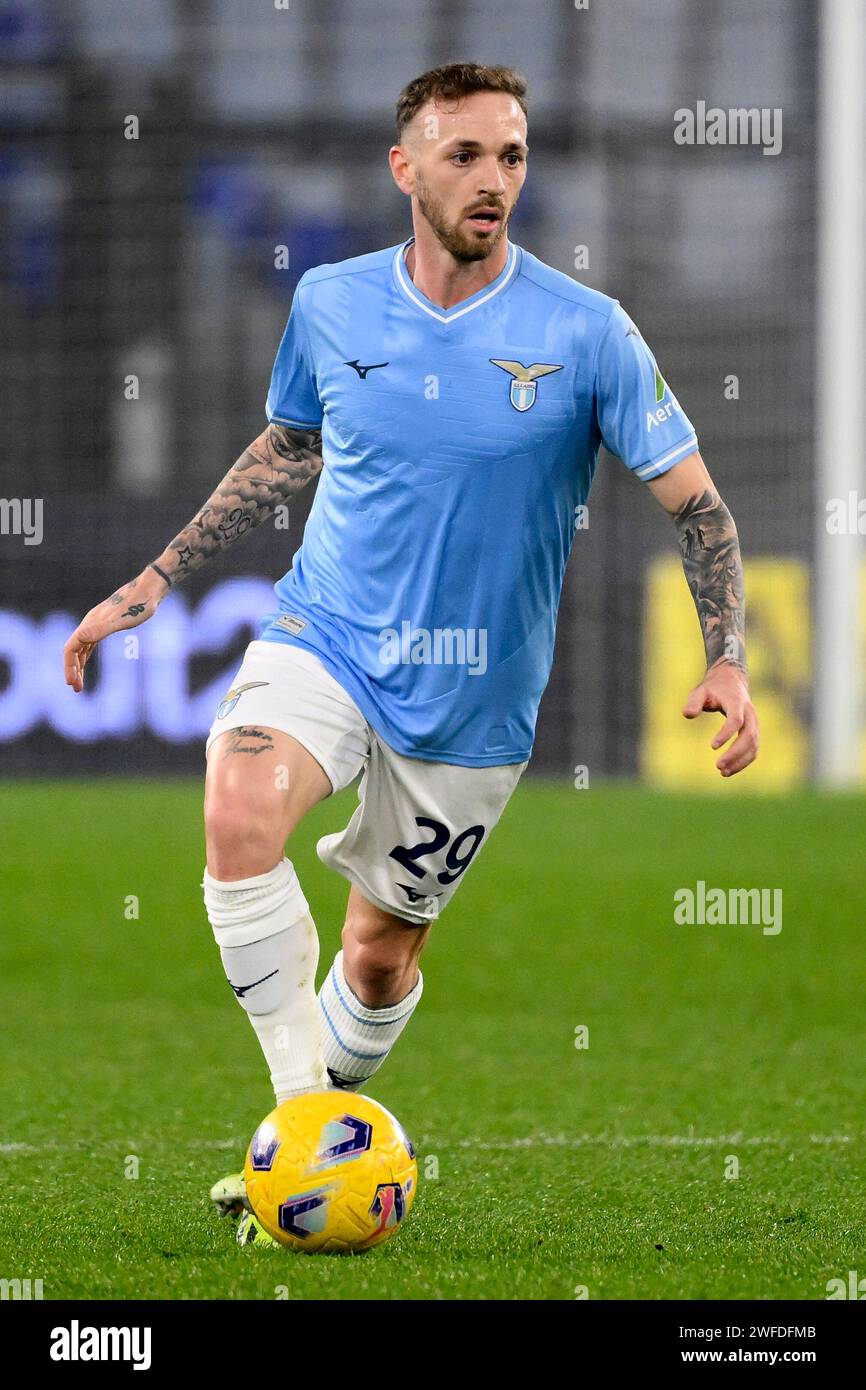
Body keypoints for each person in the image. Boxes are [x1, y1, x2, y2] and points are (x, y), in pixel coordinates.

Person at [63, 62, 759, 1245]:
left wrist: (726, 653)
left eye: (513, 156)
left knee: (378, 961)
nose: (494, 181)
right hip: (327, 633)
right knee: (238, 809)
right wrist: (152, 580)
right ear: (405, 168)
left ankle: (320, 1110)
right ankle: (300, 1136)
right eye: (466, 156)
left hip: (473, 702)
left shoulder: (584, 331)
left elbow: (699, 509)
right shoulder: (330, 304)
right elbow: (286, 449)